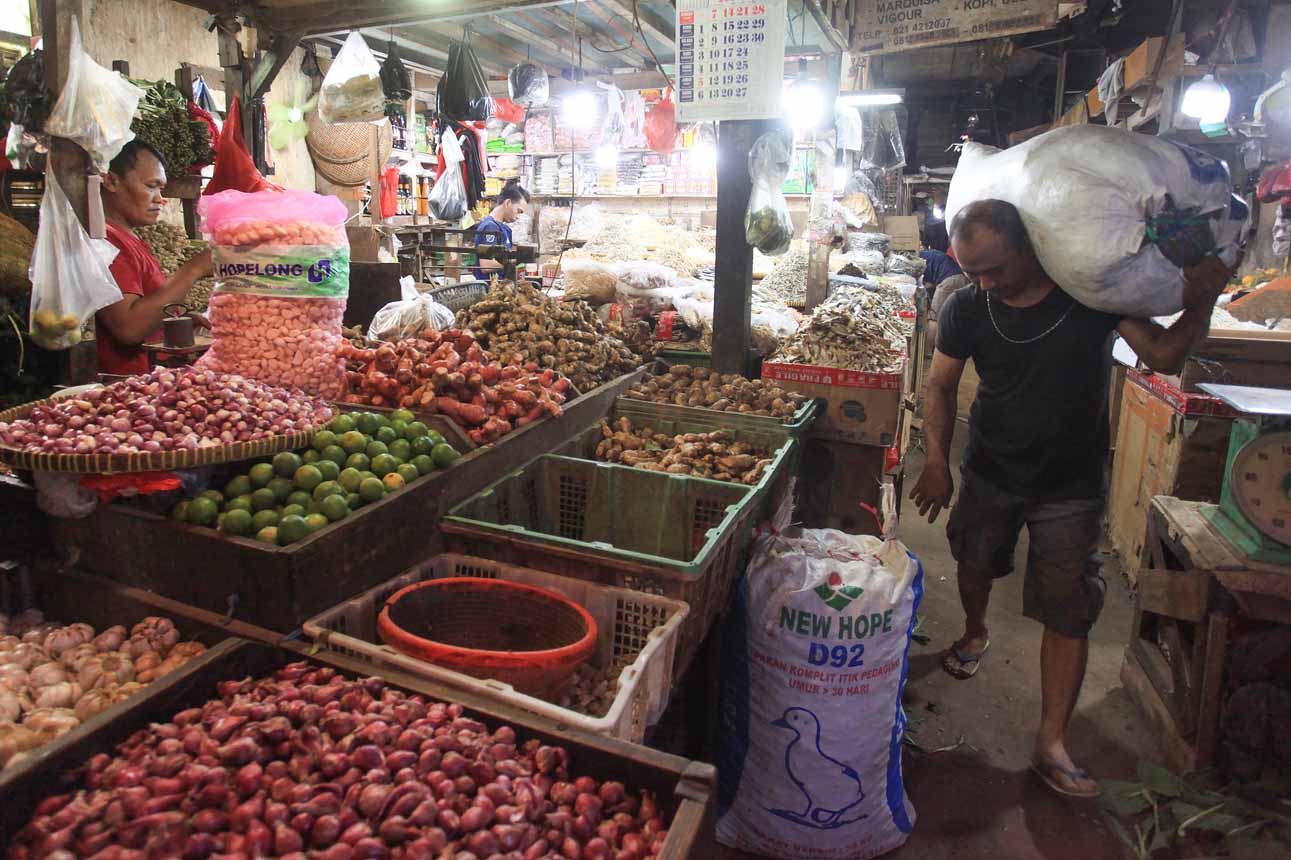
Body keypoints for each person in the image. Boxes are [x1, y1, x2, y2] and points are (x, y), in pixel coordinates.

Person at [908, 199, 1230, 800]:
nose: (986, 283)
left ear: (1030, 248)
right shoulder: (967, 307)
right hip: (990, 470)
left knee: (1069, 607)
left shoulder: (1089, 296)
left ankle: (1051, 740)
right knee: (975, 563)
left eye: (996, 269)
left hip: (1071, 485)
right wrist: (934, 461)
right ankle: (975, 630)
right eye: (973, 270)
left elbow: (1163, 355)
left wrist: (1204, 298)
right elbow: (940, 384)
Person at [97, 140, 212, 376]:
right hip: (127, 387)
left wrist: (176, 321)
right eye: (151, 186)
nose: (160, 199)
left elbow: (143, 307)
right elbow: (128, 327)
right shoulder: (104, 241)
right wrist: (193, 269)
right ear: (111, 181)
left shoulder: (130, 238)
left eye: (161, 189)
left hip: (154, 379)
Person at [472, 179, 529, 281]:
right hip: (489, 290)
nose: (518, 216)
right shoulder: (489, 227)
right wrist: (514, 261)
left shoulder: (506, 230)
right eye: (518, 211)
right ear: (507, 203)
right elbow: (486, 265)